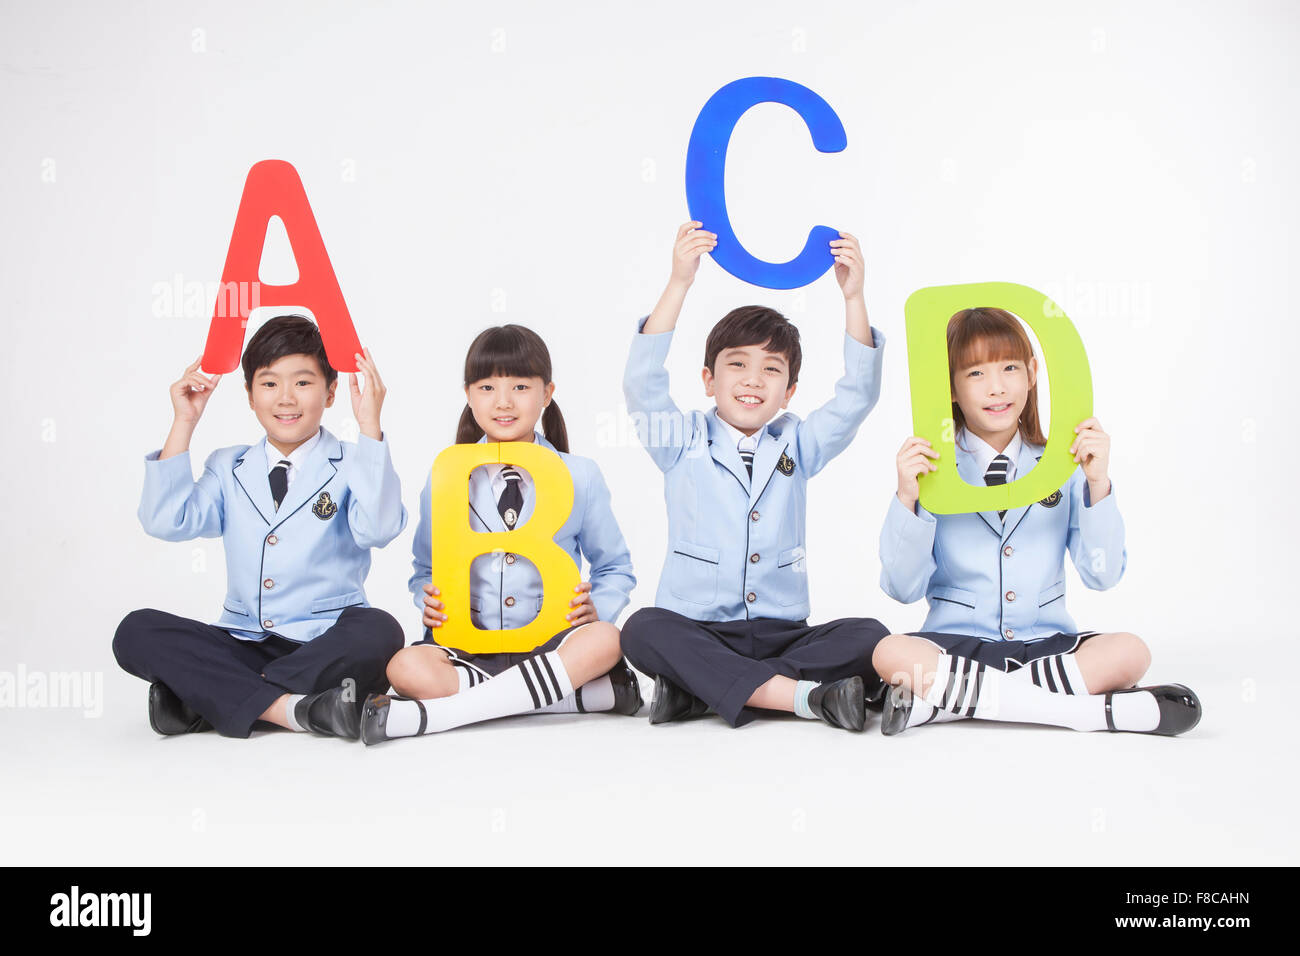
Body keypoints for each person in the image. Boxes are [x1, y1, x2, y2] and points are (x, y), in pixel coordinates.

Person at [873, 306, 1200, 736]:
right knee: (889, 652)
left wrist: (1097, 485)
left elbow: (1102, 575)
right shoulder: (931, 470)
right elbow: (902, 588)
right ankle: (1080, 714)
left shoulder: (1060, 466)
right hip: (954, 647)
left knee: (1129, 652)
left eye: (1009, 367)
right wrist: (907, 499)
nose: (997, 388)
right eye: (975, 373)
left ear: (1031, 372)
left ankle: (946, 706)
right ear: (948, 387)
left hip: (1047, 646)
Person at [618, 222, 890, 732]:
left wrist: (853, 295)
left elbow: (857, 398)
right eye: (737, 364)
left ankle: (703, 690)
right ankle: (806, 698)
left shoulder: (799, 443)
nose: (752, 380)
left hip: (783, 632)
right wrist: (680, 282)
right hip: (696, 627)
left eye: (771, 370)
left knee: (870, 634)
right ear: (708, 379)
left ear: (789, 391)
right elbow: (642, 384)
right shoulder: (679, 439)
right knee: (641, 630)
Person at [113, 314, 407, 739]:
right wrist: (185, 422)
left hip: (323, 642)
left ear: (330, 393)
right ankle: (296, 709)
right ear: (249, 396)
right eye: (269, 383)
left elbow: (378, 530)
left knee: (380, 630)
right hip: (240, 641)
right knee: (135, 630)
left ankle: (204, 701)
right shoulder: (228, 465)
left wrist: (369, 428)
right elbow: (165, 520)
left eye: (303, 383)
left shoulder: (356, 460)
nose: (285, 398)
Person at [360, 324, 638, 744]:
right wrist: (427, 599)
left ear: (547, 394)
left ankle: (456, 711)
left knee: (608, 639)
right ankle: (569, 698)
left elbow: (615, 566)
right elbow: (425, 566)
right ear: (468, 395)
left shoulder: (579, 474)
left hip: (554, 643)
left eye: (521, 387)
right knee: (403, 667)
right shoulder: (446, 478)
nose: (504, 402)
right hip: (467, 649)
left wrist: (598, 605)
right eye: (487, 387)